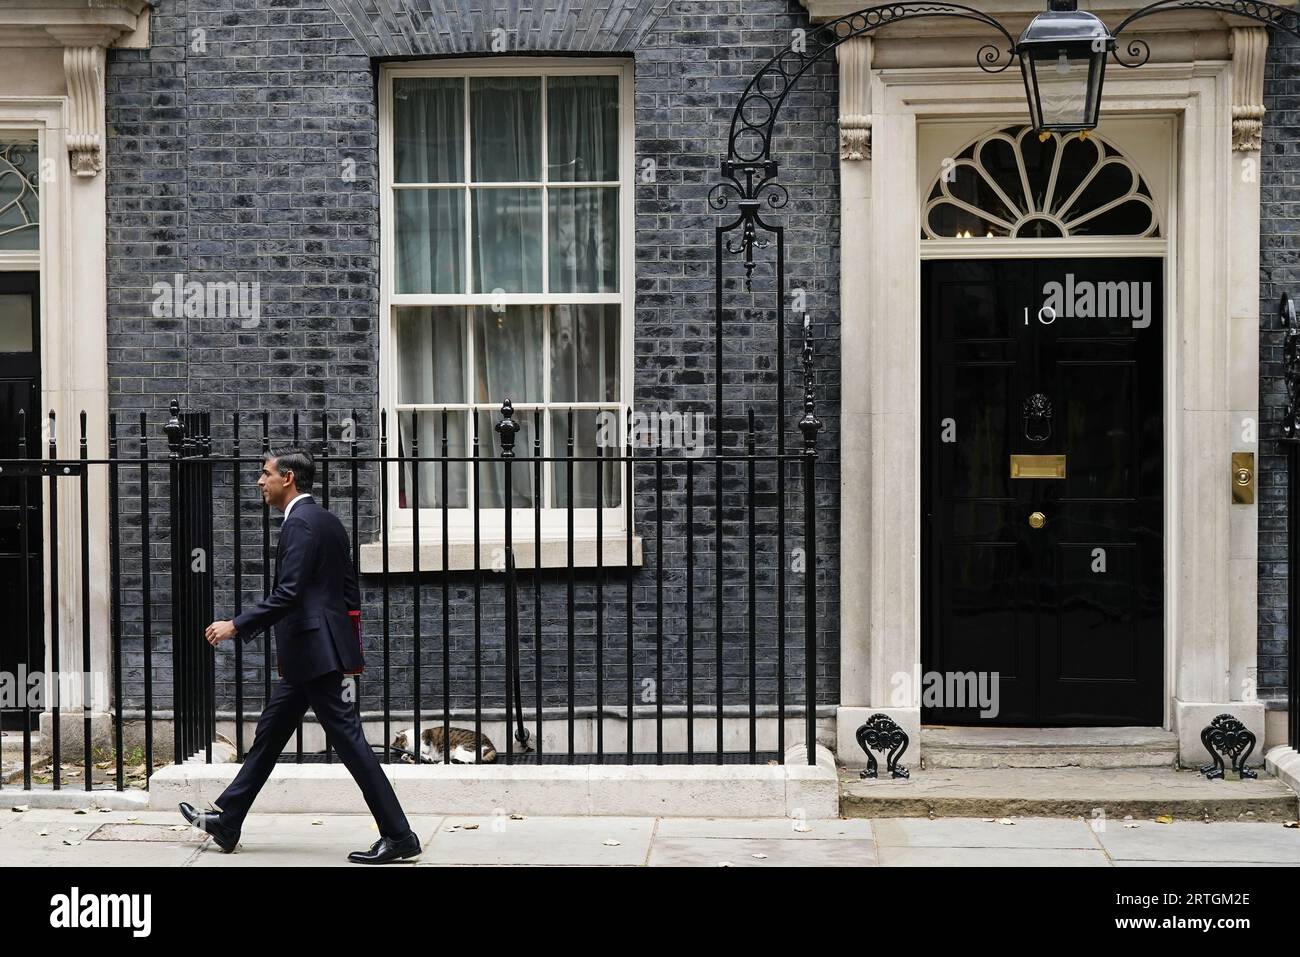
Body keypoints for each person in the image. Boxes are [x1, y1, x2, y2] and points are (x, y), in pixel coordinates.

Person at [179, 447, 421, 864]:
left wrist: (235, 625)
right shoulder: (327, 521)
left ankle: (399, 836)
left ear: (287, 478)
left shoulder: (301, 526)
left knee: (350, 743)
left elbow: (288, 594)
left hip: (316, 654)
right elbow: (347, 592)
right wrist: (344, 641)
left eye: (265, 473)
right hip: (316, 653)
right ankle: (228, 819)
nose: (260, 481)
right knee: (270, 734)